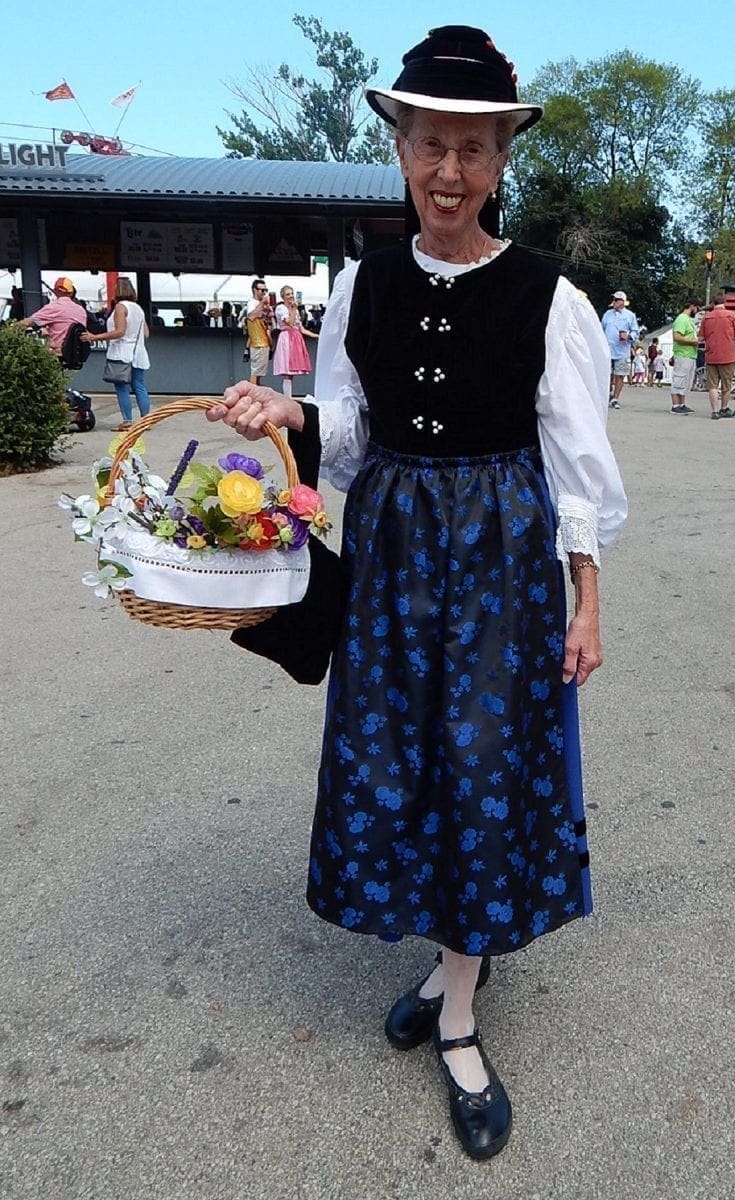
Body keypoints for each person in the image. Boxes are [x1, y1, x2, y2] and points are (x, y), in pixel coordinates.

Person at [206, 24, 627, 1161]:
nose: (449, 173)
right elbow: (349, 427)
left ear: (500, 162)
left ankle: (454, 1014)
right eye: (429, 145)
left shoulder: (551, 298)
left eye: (472, 151)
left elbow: (579, 467)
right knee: (402, 756)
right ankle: (449, 970)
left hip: (498, 559)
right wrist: (287, 414)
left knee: (483, 763)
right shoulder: (363, 285)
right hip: (394, 556)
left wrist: (583, 598)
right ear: (398, 148)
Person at [81, 277, 150, 430]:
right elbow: (146, 333)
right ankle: (147, 420)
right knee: (139, 385)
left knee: (122, 387)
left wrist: (95, 337)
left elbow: (119, 332)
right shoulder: (138, 309)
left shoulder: (120, 307)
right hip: (138, 353)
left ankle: (127, 421)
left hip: (122, 353)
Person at [16, 276, 87, 355]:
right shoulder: (81, 310)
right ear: (71, 292)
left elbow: (27, 323)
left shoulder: (53, 307)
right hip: (76, 355)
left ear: (55, 291)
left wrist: (10, 328)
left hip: (57, 354)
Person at [700, 296, 735, 420]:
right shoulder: (732, 315)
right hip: (728, 355)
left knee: (712, 385)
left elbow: (701, 338)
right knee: (726, 384)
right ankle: (724, 408)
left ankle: (714, 411)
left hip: (711, 355)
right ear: (724, 303)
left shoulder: (706, 317)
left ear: (713, 303)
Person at [273, 285, 319, 397]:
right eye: (288, 294)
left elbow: (301, 328)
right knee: (287, 371)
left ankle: (288, 397)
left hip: (295, 338)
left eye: (292, 293)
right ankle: (287, 398)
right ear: (283, 297)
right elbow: (290, 323)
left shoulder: (295, 310)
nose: (291, 296)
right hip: (287, 338)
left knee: (292, 371)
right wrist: (293, 310)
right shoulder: (281, 309)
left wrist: (317, 336)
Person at [601, 291, 639, 408]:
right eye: (614, 299)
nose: (614, 302)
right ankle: (607, 394)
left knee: (620, 374)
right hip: (607, 350)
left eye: (617, 300)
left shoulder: (630, 315)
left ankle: (615, 398)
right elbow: (601, 329)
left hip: (622, 351)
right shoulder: (607, 314)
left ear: (623, 302)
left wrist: (628, 336)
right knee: (606, 374)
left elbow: (635, 332)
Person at [670, 300, 701, 414]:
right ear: (692, 306)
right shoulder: (682, 319)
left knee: (685, 381)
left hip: (689, 354)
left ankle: (682, 404)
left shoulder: (688, 320)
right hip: (683, 354)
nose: (697, 311)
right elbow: (677, 337)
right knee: (679, 379)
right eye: (697, 308)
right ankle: (675, 405)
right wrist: (692, 341)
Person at [244, 279, 273, 386]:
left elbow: (270, 324)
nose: (264, 292)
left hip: (264, 341)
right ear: (254, 290)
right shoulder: (252, 303)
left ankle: (257, 392)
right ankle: (253, 394)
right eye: (261, 290)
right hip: (257, 342)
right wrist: (262, 303)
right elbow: (251, 316)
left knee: (259, 372)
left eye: (265, 290)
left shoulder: (262, 304)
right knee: (255, 372)